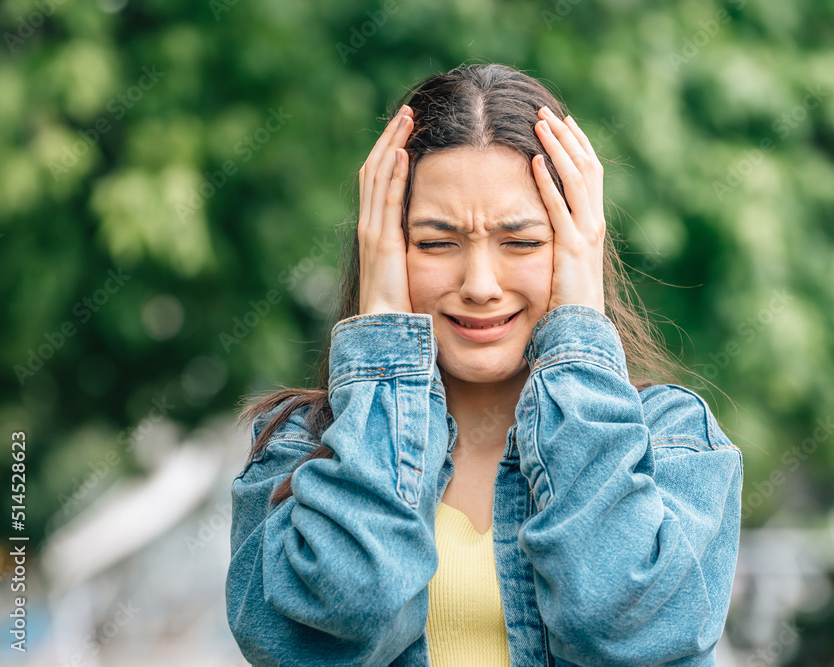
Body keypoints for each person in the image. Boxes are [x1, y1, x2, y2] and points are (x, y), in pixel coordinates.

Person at [225, 62, 743, 666]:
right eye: (436, 243)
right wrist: (385, 342)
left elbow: (623, 633)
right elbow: (333, 627)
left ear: (577, 246)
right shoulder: (299, 450)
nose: (479, 284)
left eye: (522, 243)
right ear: (383, 246)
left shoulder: (673, 440)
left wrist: (577, 336)